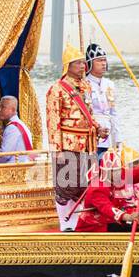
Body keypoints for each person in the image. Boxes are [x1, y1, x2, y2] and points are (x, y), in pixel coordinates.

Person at [45, 43, 102, 230]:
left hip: (88, 144)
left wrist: (98, 129)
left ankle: (78, 222)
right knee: (66, 185)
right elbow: (53, 122)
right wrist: (57, 149)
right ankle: (65, 223)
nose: (82, 66)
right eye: (77, 63)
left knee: (84, 185)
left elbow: (89, 114)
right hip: (68, 144)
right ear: (67, 66)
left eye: (82, 63)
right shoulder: (57, 89)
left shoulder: (86, 86)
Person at [74, 150, 139, 232]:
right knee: (128, 228)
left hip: (111, 221)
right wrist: (127, 217)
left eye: (119, 170)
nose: (118, 173)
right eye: (114, 171)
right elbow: (107, 208)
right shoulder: (97, 188)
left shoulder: (115, 181)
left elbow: (138, 174)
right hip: (94, 227)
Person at [84, 43, 119, 153]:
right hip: (92, 135)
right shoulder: (84, 84)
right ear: (90, 63)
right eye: (99, 60)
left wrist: (117, 139)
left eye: (104, 60)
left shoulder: (110, 84)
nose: (103, 63)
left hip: (109, 135)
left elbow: (114, 113)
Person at [0, 95, 32, 163]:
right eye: (0, 106)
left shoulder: (12, 128)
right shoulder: (21, 124)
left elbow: (5, 155)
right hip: (25, 164)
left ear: (13, 110)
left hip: (14, 168)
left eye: (3, 107)